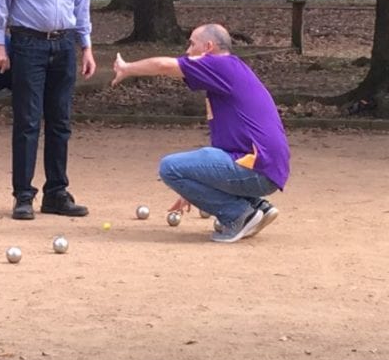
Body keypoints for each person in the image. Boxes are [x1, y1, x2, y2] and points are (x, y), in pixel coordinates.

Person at [110, 23, 290, 243]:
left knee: (170, 167)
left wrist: (127, 68)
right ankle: (256, 205)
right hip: (264, 168)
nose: (187, 50)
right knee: (189, 165)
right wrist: (194, 191)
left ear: (208, 47)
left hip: (257, 168)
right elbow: (223, 150)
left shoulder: (218, 64)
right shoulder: (230, 70)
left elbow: (163, 66)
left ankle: (239, 214)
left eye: (192, 44)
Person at [0, 0, 96, 220]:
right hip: (28, 42)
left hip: (63, 44)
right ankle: (23, 195)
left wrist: (86, 45)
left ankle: (57, 192)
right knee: (28, 121)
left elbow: (81, 1)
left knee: (61, 121)